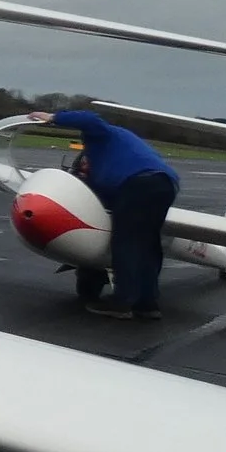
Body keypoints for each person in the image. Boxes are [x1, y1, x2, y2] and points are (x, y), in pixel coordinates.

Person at [28, 108, 179, 320]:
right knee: (148, 245)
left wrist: (53, 118)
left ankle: (123, 303)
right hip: (163, 185)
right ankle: (147, 304)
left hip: (139, 184)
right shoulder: (120, 145)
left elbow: (91, 119)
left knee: (126, 243)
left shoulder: (101, 135)